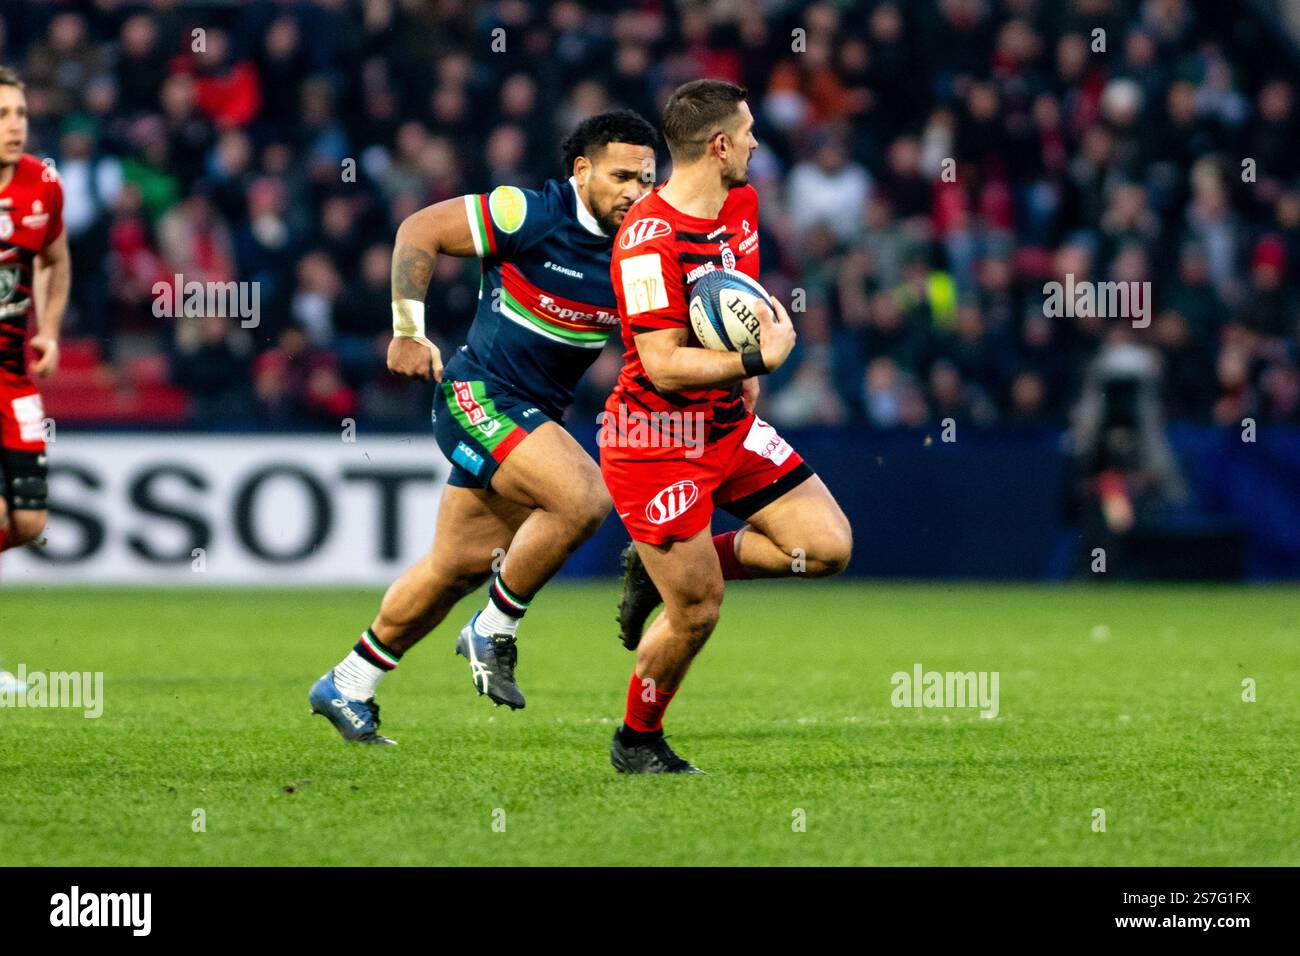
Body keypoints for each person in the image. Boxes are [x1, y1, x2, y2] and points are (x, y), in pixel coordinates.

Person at [310, 111, 658, 744]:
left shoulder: (640, 249)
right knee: (582, 497)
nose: (635, 190)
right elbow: (421, 228)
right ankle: (493, 629)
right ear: (582, 172)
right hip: (481, 396)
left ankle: (348, 681)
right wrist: (409, 331)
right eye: (622, 175)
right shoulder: (527, 213)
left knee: (456, 567)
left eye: (647, 177)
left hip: (531, 419)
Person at [601, 80, 853, 773]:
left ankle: (666, 570)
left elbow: (734, 302)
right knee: (700, 611)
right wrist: (753, 356)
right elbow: (660, 364)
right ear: (718, 146)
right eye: (746, 134)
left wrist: (751, 374)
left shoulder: (741, 204)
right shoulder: (647, 241)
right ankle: (636, 740)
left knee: (827, 548)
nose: (755, 144)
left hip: (729, 428)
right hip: (655, 444)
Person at [0, 66, 71, 698]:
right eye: (2, 116)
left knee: (26, 523)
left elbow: (53, 256)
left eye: (19, 113)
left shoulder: (42, 184)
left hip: (14, 378)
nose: (15, 125)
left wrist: (47, 327)